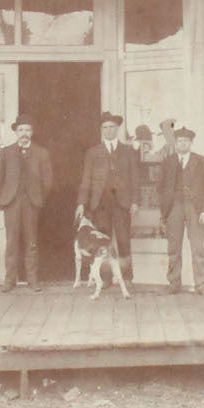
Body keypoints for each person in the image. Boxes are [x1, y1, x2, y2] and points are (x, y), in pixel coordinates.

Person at [75, 110, 140, 282]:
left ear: (118, 128)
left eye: (112, 127)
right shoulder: (93, 152)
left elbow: (135, 178)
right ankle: (105, 278)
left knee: (124, 240)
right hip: (101, 204)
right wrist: (81, 203)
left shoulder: (128, 151)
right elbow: (86, 180)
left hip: (122, 203)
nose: (108, 130)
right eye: (105, 127)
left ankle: (127, 278)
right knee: (102, 242)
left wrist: (135, 201)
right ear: (101, 130)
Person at [0, 116, 53, 290]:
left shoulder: (41, 153)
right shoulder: (6, 152)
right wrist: (3, 198)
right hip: (11, 202)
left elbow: (47, 181)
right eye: (20, 130)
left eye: (27, 130)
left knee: (31, 241)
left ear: (32, 133)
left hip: (31, 203)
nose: (24, 134)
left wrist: (38, 198)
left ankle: (32, 280)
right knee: (11, 241)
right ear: (15, 132)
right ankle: (9, 280)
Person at [158, 124, 204, 296]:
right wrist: (164, 210)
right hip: (174, 206)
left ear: (191, 143)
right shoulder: (168, 161)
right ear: (175, 142)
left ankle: (201, 285)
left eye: (186, 141)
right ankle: (174, 283)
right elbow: (160, 187)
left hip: (194, 207)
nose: (182, 144)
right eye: (179, 140)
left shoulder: (200, 160)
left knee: (197, 247)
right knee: (173, 247)